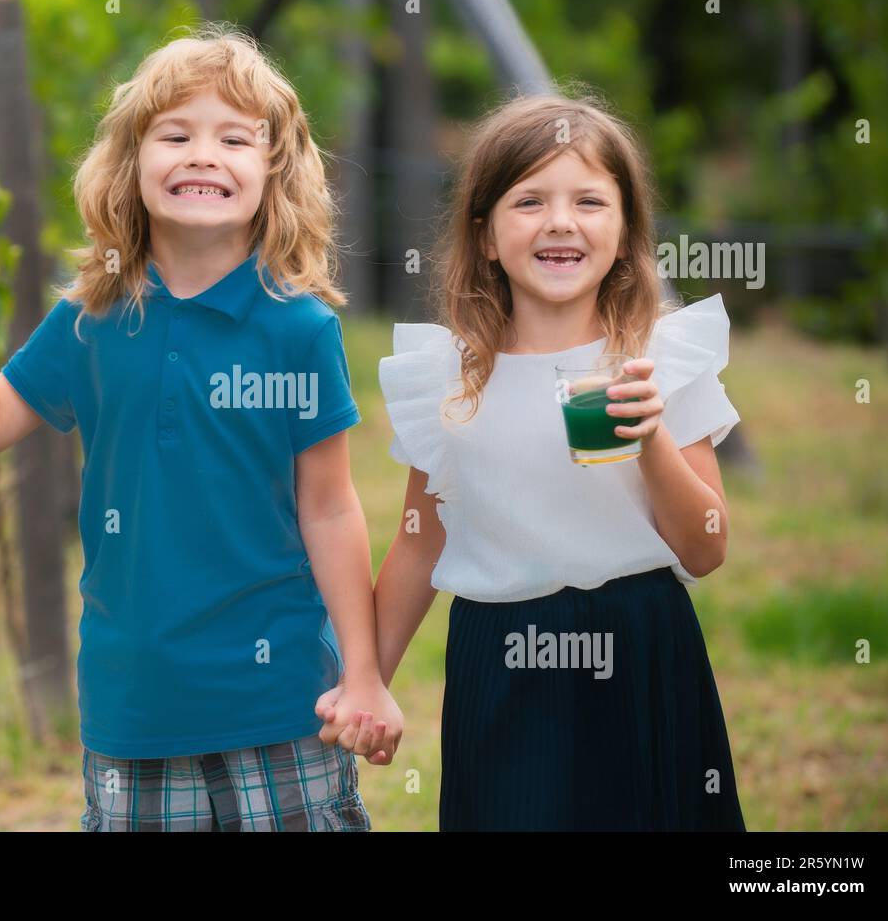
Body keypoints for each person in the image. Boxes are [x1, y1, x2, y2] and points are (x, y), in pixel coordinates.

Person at [0, 25, 400, 831]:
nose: (203, 154)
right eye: (176, 135)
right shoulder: (90, 320)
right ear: (131, 166)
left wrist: (364, 674)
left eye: (234, 138)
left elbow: (331, 507)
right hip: (132, 711)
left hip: (280, 702)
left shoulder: (298, 329)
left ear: (274, 172)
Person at [319, 93, 745, 831]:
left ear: (624, 230)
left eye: (589, 200)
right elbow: (422, 538)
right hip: (503, 660)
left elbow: (706, 548)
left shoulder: (663, 358)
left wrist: (650, 438)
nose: (560, 221)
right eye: (529, 201)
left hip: (644, 647)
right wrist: (366, 681)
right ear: (484, 235)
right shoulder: (449, 379)